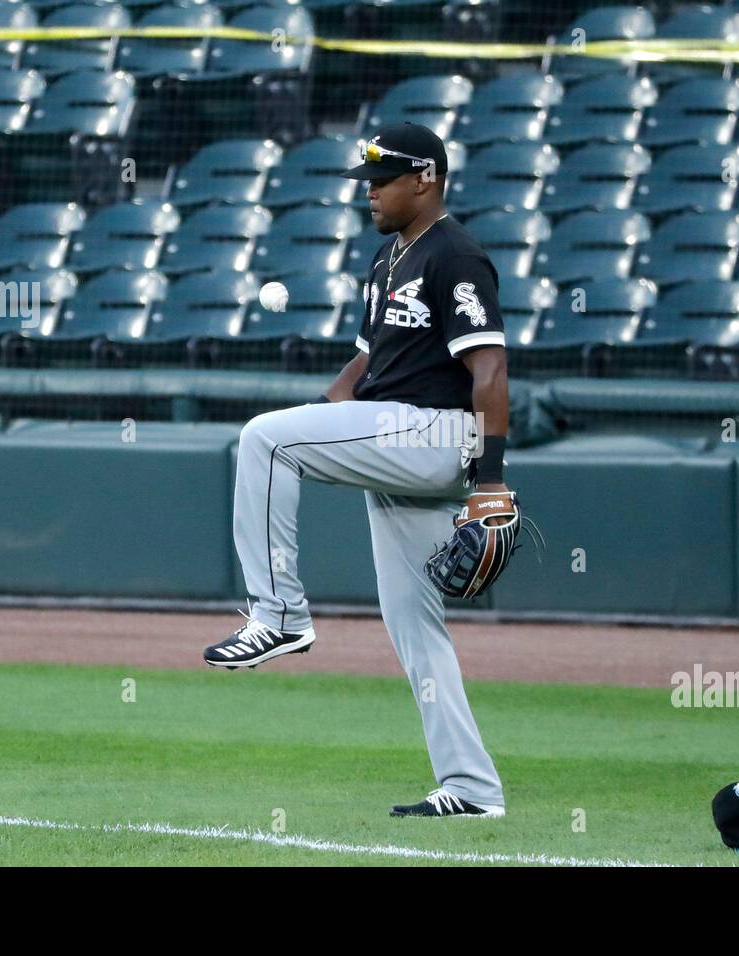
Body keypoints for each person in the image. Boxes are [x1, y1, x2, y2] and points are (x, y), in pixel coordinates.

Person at [203, 123, 511, 819]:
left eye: (382, 180)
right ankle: (472, 789)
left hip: (437, 434)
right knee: (414, 627)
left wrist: (491, 482)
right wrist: (325, 417)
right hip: (393, 439)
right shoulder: (386, 259)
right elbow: (367, 367)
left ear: (425, 179)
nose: (368, 193)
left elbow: (489, 368)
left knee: (263, 439)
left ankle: (278, 614)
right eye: (366, 181)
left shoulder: (455, 255)